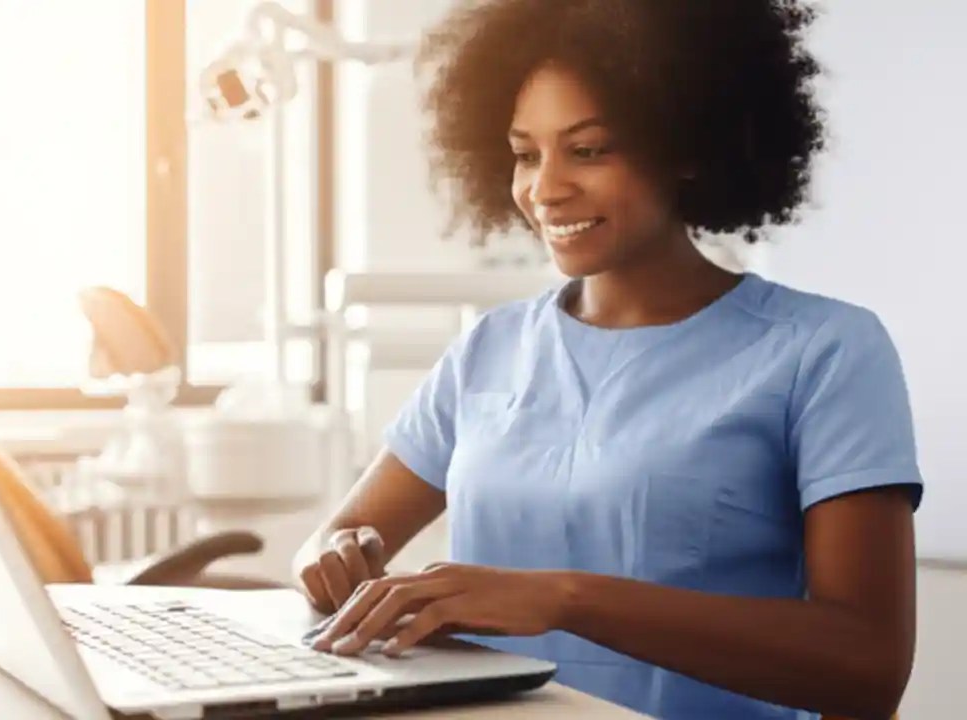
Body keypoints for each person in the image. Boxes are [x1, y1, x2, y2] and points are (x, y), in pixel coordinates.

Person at [291, 2, 922, 719]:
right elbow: (327, 543)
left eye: (589, 150)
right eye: (526, 154)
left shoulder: (824, 350)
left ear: (688, 146)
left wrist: (564, 598)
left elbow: (868, 668)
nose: (545, 188)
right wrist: (333, 557)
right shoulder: (489, 348)